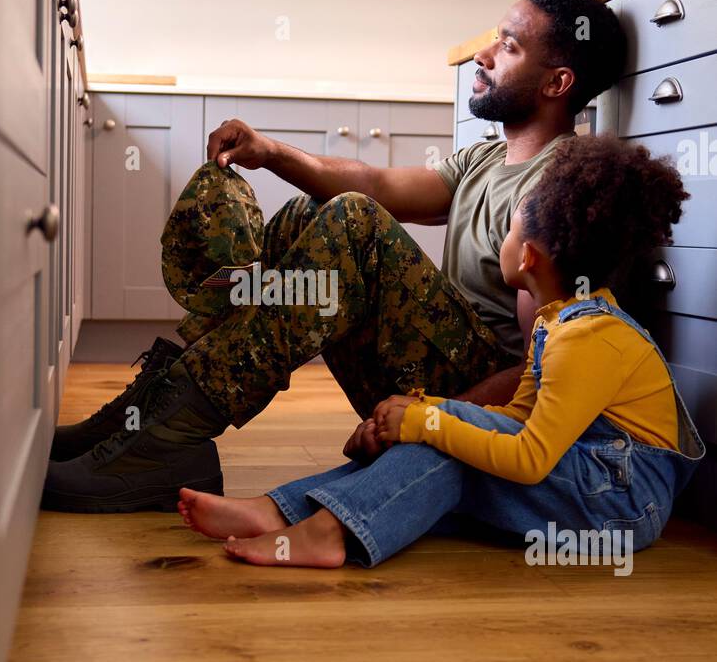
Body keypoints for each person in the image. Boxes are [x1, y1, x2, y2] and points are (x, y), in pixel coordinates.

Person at [41, 0, 627, 513]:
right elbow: (373, 184)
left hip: (477, 405)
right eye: (495, 39)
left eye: (509, 47)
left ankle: (167, 438)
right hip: (433, 375)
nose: (483, 54)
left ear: (558, 83)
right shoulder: (485, 159)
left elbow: (540, 366)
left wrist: (424, 425)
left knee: (353, 223)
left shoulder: (558, 187)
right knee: (310, 211)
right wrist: (271, 151)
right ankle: (150, 421)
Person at [177, 134, 704, 568]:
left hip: (624, 501)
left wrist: (428, 424)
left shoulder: (589, 337)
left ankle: (332, 532)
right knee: (445, 445)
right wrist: (428, 411)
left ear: (528, 257)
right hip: (593, 479)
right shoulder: (559, 324)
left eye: (510, 225)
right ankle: (282, 510)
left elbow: (529, 455)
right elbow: (516, 416)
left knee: (447, 446)